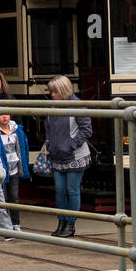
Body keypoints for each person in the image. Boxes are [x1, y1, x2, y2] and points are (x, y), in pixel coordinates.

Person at [44, 75, 92, 238]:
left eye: (54, 91)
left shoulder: (77, 105)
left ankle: (70, 224)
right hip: (57, 155)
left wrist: (70, 145)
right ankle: (61, 222)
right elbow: (48, 127)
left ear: (63, 91)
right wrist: (50, 143)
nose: (52, 94)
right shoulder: (52, 107)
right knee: (59, 190)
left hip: (75, 156)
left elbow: (86, 130)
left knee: (72, 190)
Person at [0, 112, 29, 229]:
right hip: (1, 170)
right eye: (1, 114)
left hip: (14, 168)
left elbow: (23, 148)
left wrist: (23, 165)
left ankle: (16, 223)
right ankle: (2, 223)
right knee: (1, 198)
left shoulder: (17, 129)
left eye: (7, 114)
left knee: (14, 197)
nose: (4, 117)